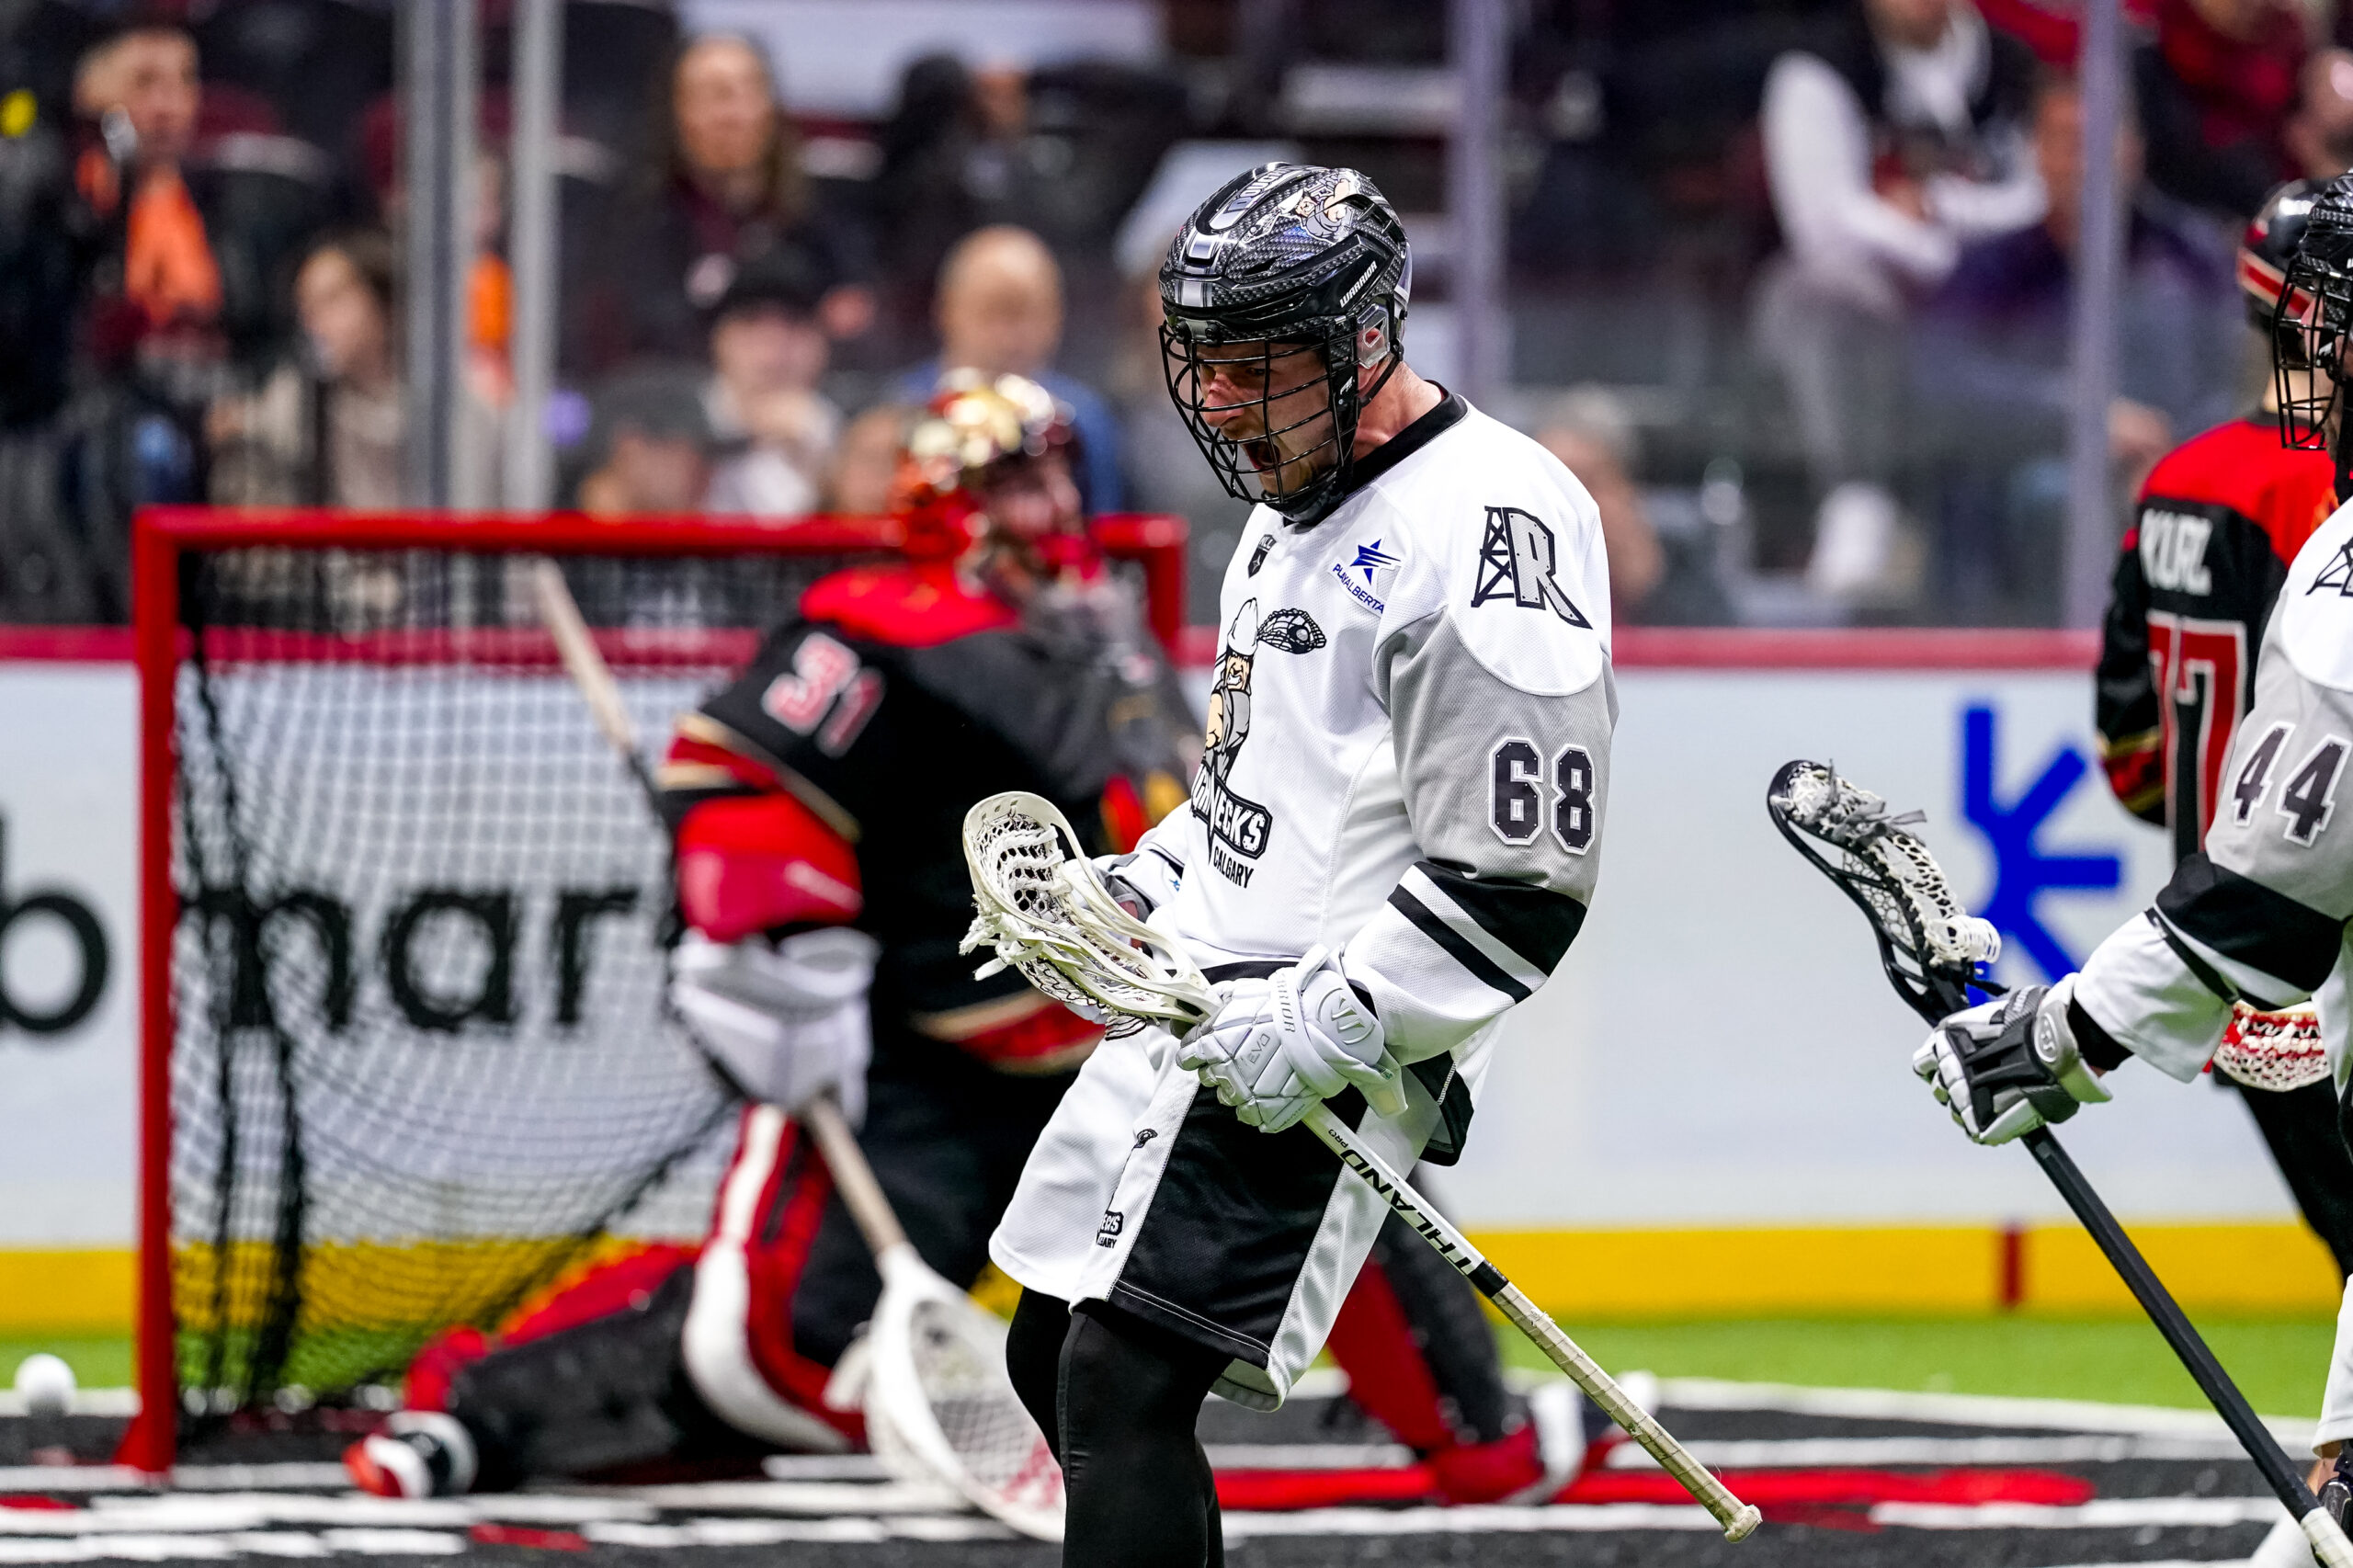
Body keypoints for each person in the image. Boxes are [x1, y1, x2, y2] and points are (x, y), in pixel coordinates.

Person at [346, 372, 1593, 1506]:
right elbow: (739, 774)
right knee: (766, 1354)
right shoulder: (877, 620)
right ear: (944, 501)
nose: (1051, 501)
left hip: (1133, 1033)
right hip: (935, 1072)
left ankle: (1471, 1426)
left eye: (1058, 470)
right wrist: (774, 945)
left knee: (1341, 1190)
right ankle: (483, 1403)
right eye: (1012, 478)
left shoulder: (1109, 628)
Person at [989, 164, 1617, 1566]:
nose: (1218, 404)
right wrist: (1133, 889)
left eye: (1255, 366)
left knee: (1121, 1383)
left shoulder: (1489, 522)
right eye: (1203, 366)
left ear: (1367, 337)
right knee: (1050, 1353)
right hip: (1204, 1001)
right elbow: (1252, 798)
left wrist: (1333, 1022)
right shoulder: (1285, 511)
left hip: (1323, 1018)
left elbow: (1525, 877)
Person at [1914, 171, 2353, 1568]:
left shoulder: (2306, 540)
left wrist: (2057, 1035)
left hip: (2267, 947)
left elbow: (2245, 875)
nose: (2317, 371)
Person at [2095, 179, 2353, 1298]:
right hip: (2315, 943)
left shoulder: (2175, 480)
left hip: (2217, 929)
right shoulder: (2315, 500)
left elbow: (2130, 752)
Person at [1916, 68, 2241, 621]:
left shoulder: (2191, 260)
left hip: (2175, 469)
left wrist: (2172, 463)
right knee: (2053, 499)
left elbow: (2228, 383)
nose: (2081, 162)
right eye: (2065, 143)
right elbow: (1941, 380)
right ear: (2038, 154)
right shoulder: (1997, 270)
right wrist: (2084, 418)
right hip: (2036, 477)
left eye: (2097, 142)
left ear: (2133, 149)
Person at [1754, 0, 2044, 604]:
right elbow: (1824, 221)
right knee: (1826, 286)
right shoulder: (1818, 69)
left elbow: (2041, 199)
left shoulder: (2011, 67)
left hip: (1987, 297)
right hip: (1865, 308)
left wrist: (1938, 211)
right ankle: (1856, 497)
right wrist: (1938, 252)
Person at [574, 33, 871, 377]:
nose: (735, 114)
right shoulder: (635, 225)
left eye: (751, 91)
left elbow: (860, 332)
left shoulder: (820, 220)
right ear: (676, 112)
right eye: (716, 96)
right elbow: (630, 350)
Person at [895, 225, 1122, 515]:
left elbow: (1104, 533)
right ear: (946, 310)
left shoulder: (1082, 420)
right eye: (993, 311)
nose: (1011, 337)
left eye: (1029, 313)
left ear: (1057, 316)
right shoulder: (904, 409)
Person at [207, 229, 404, 508]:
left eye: (331, 299)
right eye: (307, 308)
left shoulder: (445, 409)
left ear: (385, 303)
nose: (315, 322)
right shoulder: (297, 396)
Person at [701, 248, 838, 519]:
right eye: (752, 327)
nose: (773, 356)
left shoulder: (842, 427)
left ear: (822, 345)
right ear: (719, 340)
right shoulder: (686, 416)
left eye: (793, 328)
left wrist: (816, 461)